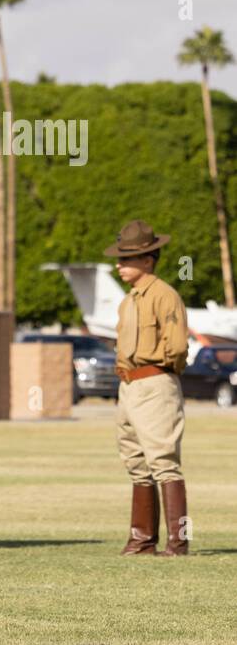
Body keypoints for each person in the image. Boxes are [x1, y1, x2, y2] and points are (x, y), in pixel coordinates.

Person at [106, 220, 190, 556]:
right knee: (135, 461)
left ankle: (177, 543)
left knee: (163, 460)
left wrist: (161, 372)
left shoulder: (165, 295)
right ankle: (141, 541)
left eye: (126, 259)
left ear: (147, 260)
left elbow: (178, 346)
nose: (119, 265)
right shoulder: (128, 301)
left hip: (155, 381)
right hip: (128, 385)